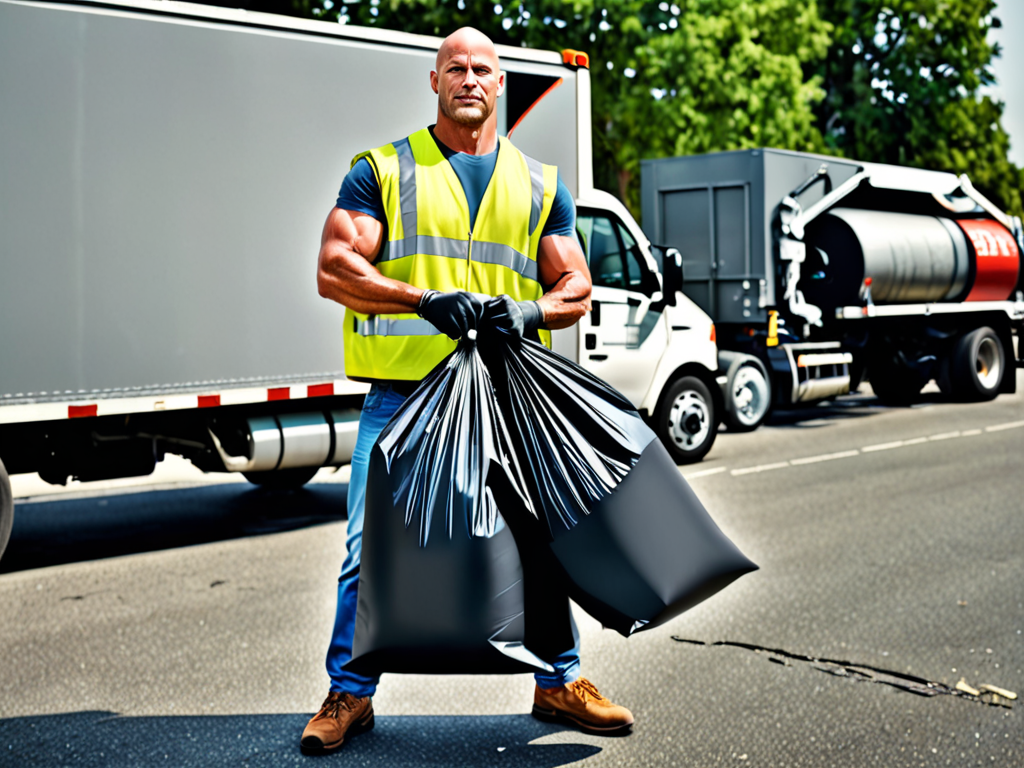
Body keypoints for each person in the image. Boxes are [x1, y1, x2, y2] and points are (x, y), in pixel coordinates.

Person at [302, 27, 634, 754]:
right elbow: (334, 269)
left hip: (510, 398)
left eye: (484, 67)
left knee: (541, 545)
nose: (470, 79)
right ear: (435, 81)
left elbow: (574, 286)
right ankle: (349, 695)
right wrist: (421, 299)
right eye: (456, 67)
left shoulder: (542, 183)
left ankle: (559, 681)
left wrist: (531, 310)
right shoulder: (383, 171)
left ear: (501, 81)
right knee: (370, 552)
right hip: (403, 398)